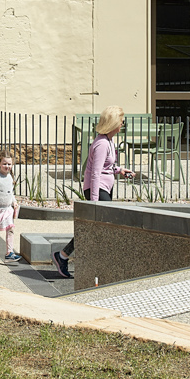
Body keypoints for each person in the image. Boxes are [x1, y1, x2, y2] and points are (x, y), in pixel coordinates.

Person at [53, 108, 126, 279]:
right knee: (101, 227)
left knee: (92, 228)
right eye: (121, 121)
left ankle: (63, 256)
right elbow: (95, 173)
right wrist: (94, 201)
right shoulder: (101, 144)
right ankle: (75, 259)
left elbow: (106, 168)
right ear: (114, 123)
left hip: (103, 188)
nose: (122, 124)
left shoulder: (109, 141)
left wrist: (120, 170)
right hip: (97, 189)